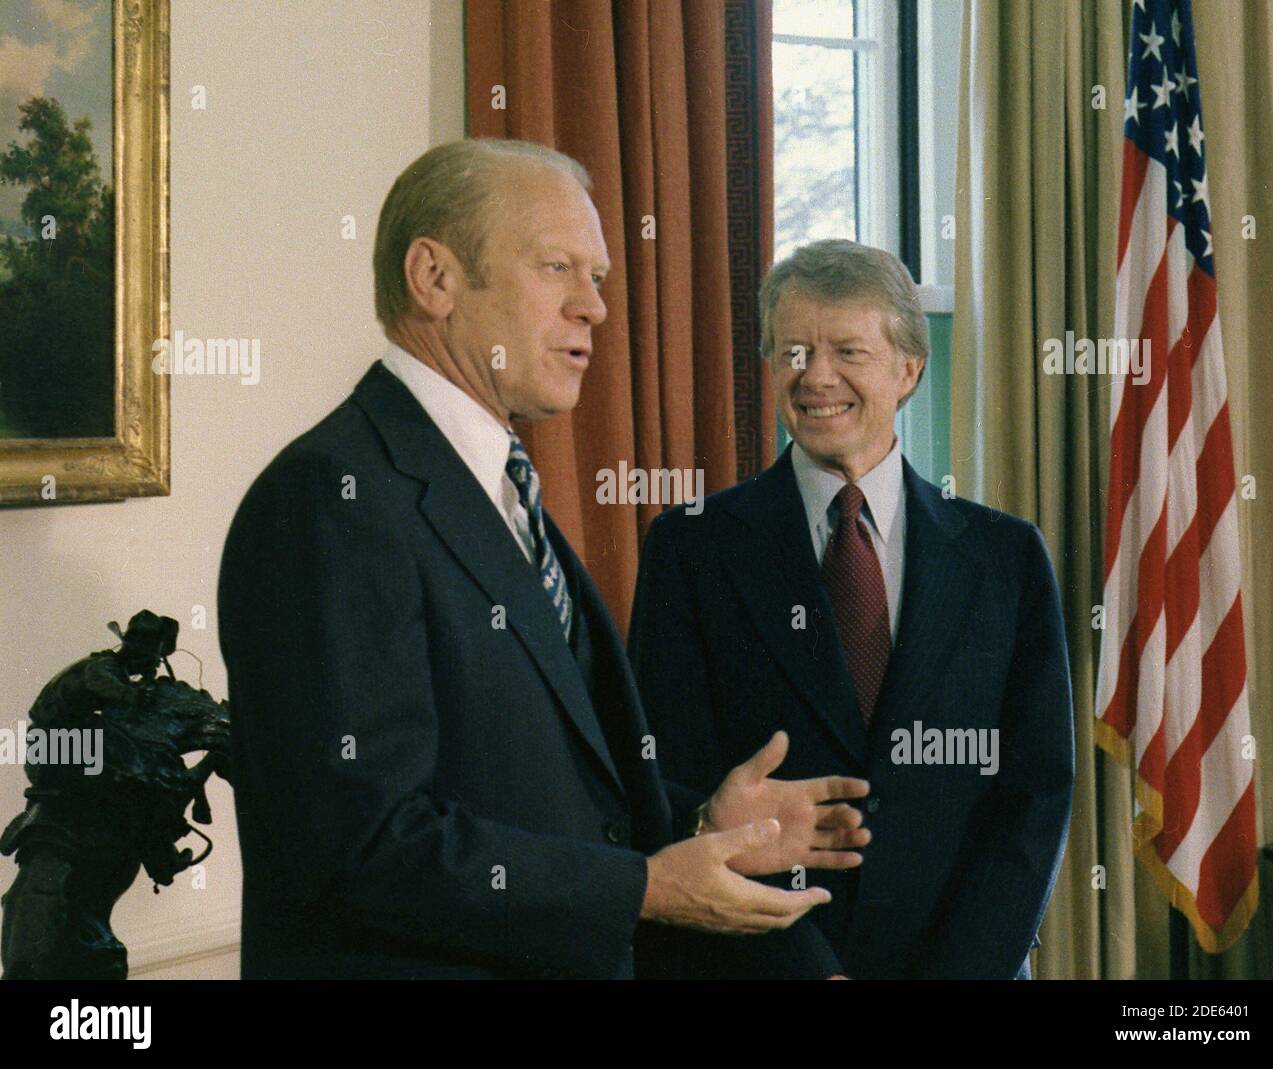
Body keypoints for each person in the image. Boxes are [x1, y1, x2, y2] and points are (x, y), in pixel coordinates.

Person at [217, 141, 870, 980]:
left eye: (597, 277)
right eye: (558, 267)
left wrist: (704, 821)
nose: (594, 308)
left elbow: (551, 798)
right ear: (435, 278)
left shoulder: (496, 486)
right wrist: (643, 887)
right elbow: (360, 842)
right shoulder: (327, 500)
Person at [629, 240, 1075, 979]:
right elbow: (666, 777)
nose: (816, 377)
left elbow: (1034, 795)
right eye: (794, 351)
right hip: (760, 963)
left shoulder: (1007, 556)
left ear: (908, 370)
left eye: (847, 351)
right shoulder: (692, 548)